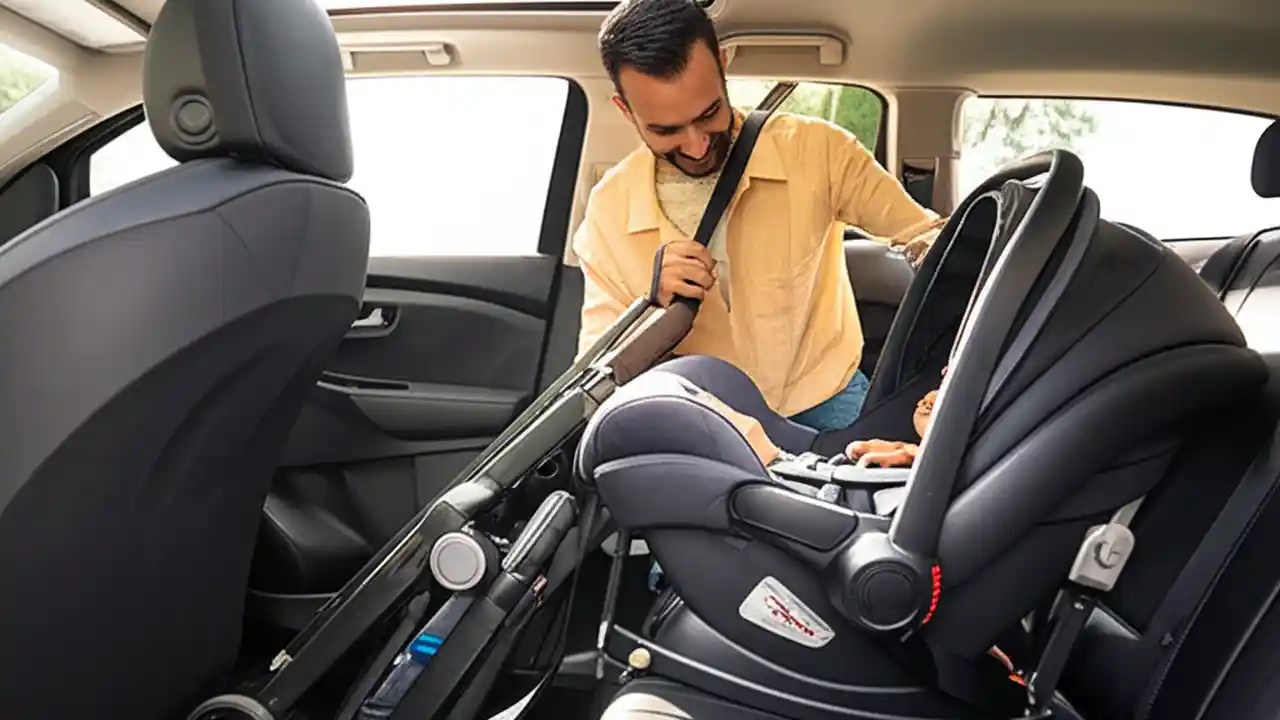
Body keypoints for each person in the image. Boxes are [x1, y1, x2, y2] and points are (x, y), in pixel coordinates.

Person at [573, 0, 946, 434]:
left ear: (724, 66)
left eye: (709, 113)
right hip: (704, 418)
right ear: (625, 111)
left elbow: (930, 236)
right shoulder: (608, 210)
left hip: (827, 398)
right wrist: (651, 307)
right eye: (665, 130)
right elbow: (597, 370)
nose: (695, 147)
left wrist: (933, 262)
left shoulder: (818, 151)